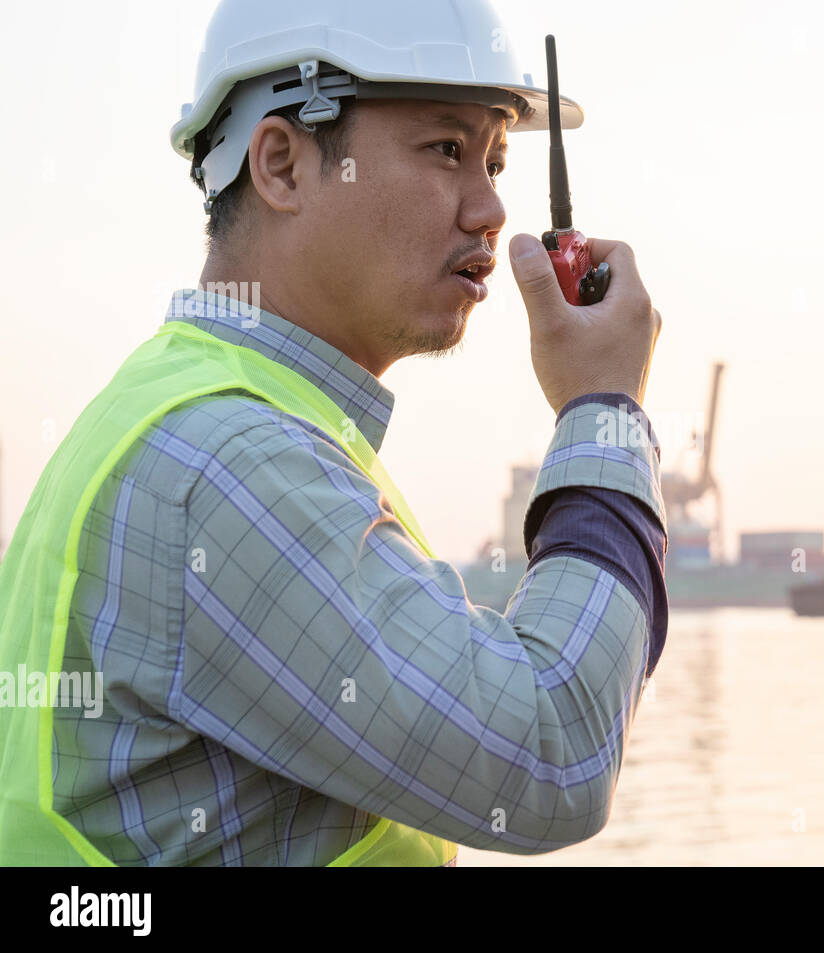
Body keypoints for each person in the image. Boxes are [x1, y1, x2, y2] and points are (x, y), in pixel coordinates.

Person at [0, 0, 666, 866]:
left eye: (496, 160)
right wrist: (604, 415)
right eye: (446, 150)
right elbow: (552, 752)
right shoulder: (231, 461)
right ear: (280, 164)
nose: (491, 211)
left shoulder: (206, 415)